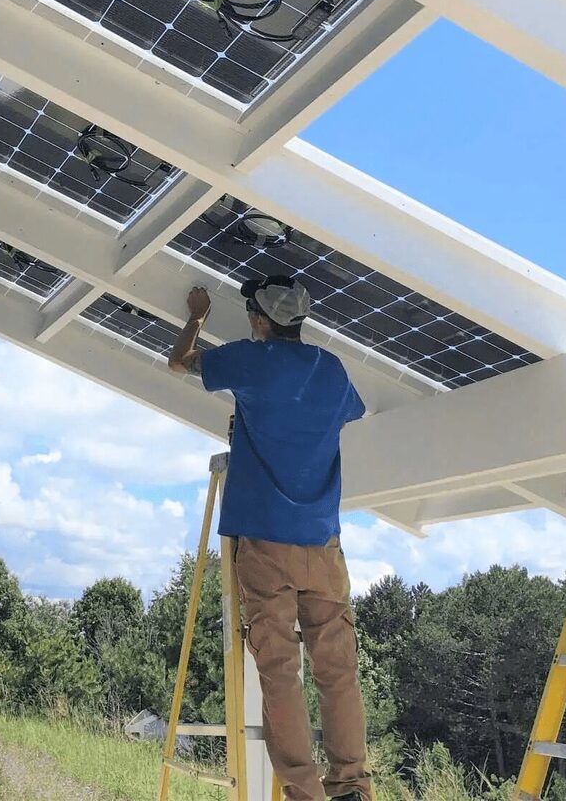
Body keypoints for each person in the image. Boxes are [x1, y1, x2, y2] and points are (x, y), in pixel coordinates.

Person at [168, 275, 371, 801]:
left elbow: (181, 360)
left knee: (280, 672)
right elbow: (354, 410)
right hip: (323, 545)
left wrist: (196, 315)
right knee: (338, 670)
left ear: (260, 321)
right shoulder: (330, 370)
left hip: (263, 541)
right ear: (300, 321)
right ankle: (352, 786)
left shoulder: (250, 361)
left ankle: (305, 793)